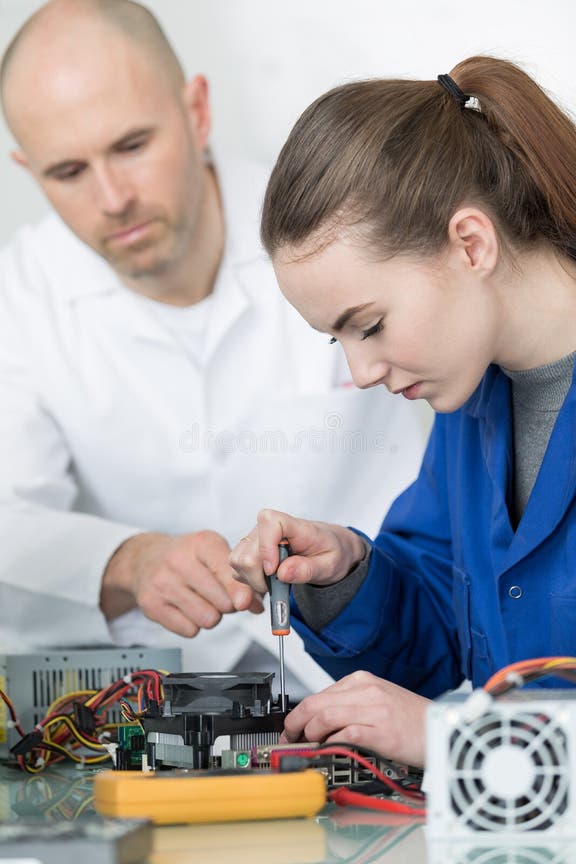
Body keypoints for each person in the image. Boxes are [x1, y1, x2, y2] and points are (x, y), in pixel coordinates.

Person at [0, 0, 426, 693]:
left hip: (385, 672)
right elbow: (5, 523)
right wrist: (126, 562)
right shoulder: (19, 296)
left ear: (197, 111)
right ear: (28, 168)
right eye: (68, 172)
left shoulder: (332, 234)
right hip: (168, 700)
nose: (113, 199)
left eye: (132, 146)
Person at [230, 55, 576, 764]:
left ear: (470, 244)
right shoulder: (471, 401)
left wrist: (461, 739)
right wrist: (348, 577)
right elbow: (449, 647)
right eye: (339, 339)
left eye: (371, 324)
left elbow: (452, 718)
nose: (360, 373)